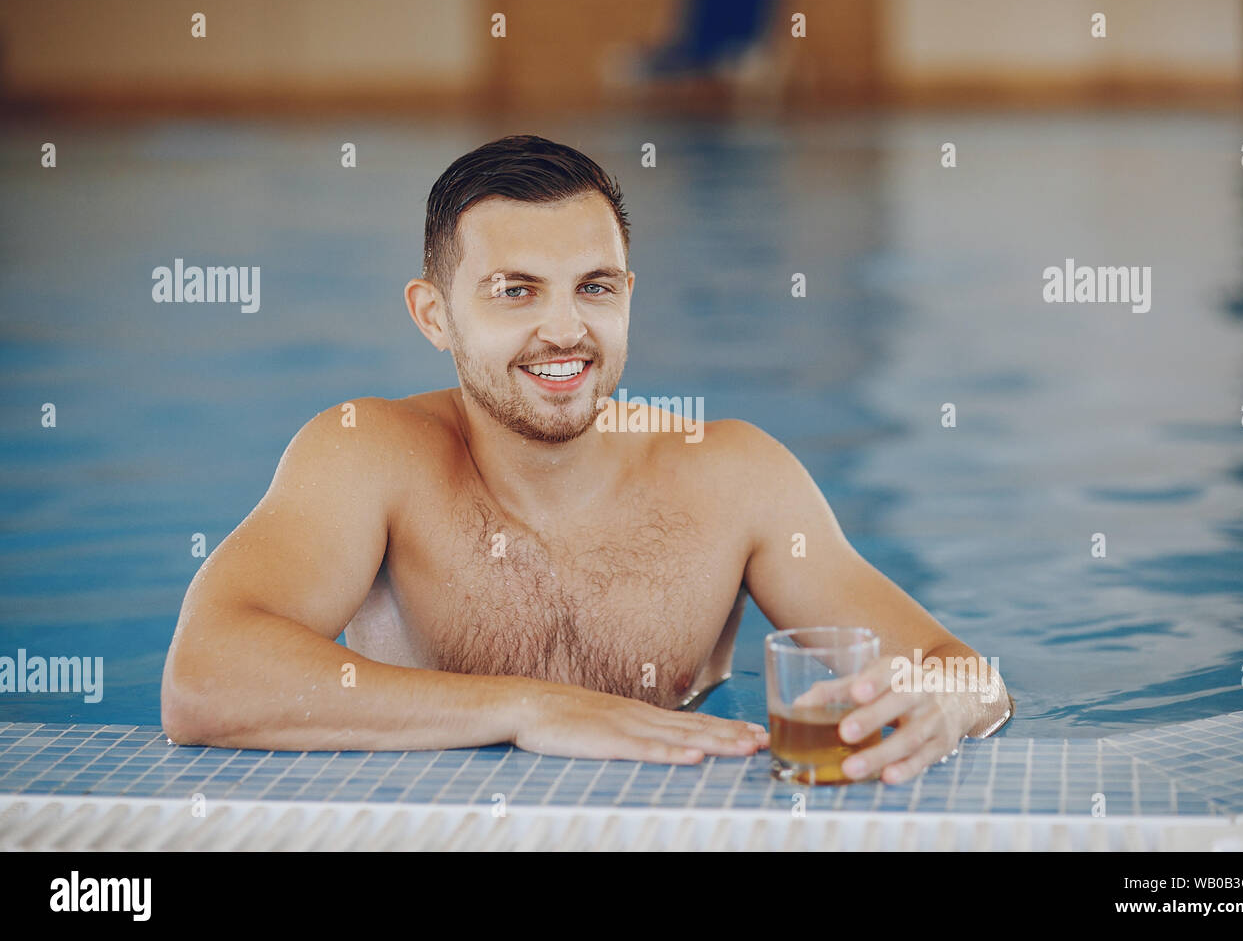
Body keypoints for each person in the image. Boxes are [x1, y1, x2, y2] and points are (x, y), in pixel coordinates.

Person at [161, 134, 1012, 784]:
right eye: (515, 290)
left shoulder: (736, 477)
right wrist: (531, 709)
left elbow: (969, 675)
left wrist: (945, 705)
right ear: (433, 315)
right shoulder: (369, 455)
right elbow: (204, 679)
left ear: (628, 297)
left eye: (594, 287)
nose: (564, 330)